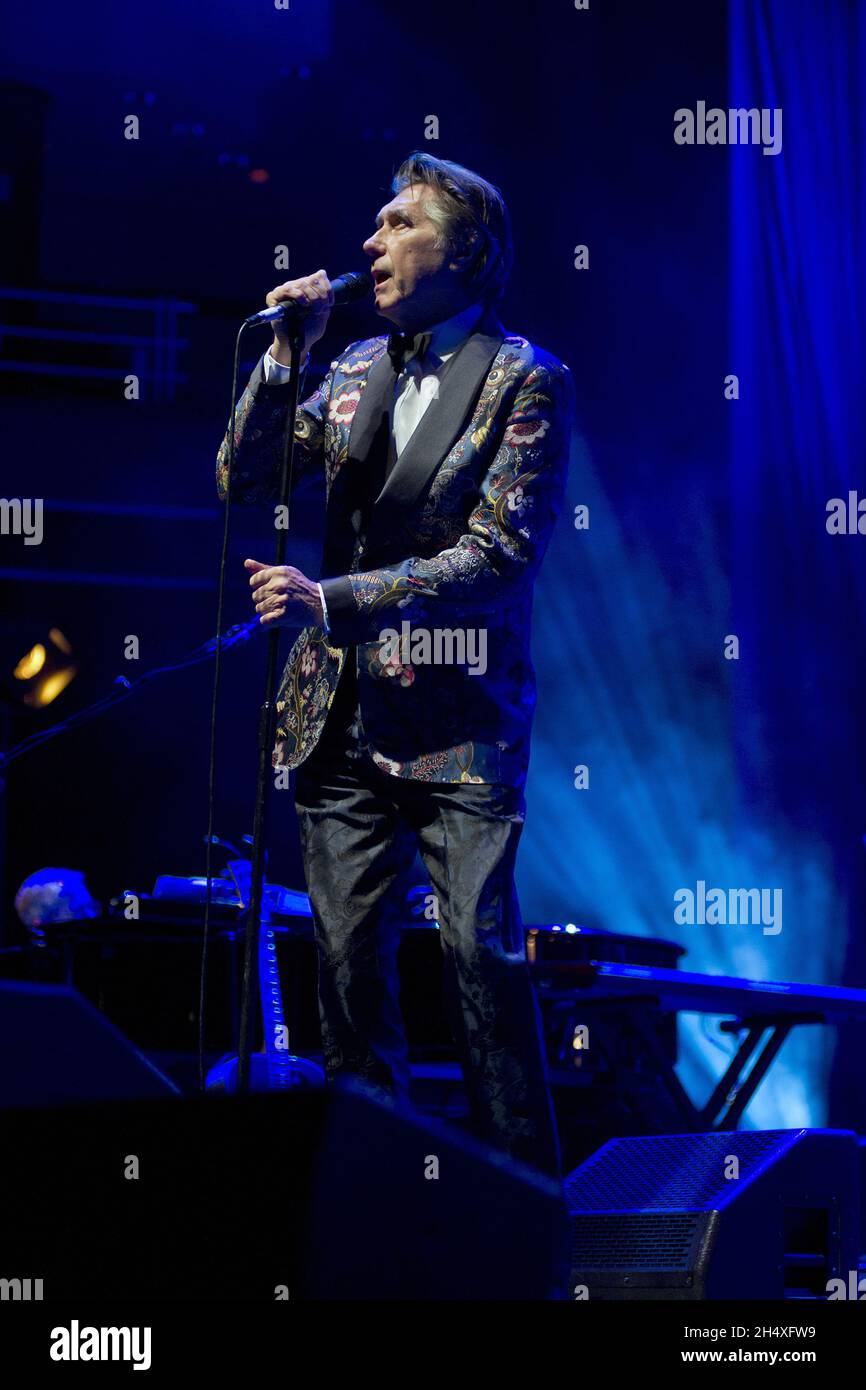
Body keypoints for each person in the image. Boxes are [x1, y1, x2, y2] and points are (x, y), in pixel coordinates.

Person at [216, 152, 574, 1177]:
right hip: (333, 715)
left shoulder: (525, 379)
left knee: (475, 963)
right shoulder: (352, 366)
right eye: (371, 225)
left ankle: (528, 1223)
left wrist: (333, 601)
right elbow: (239, 475)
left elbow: (498, 556)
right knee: (344, 981)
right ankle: (373, 1223)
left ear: (465, 250)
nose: (368, 243)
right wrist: (285, 354)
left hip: (459, 721)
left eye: (397, 224)